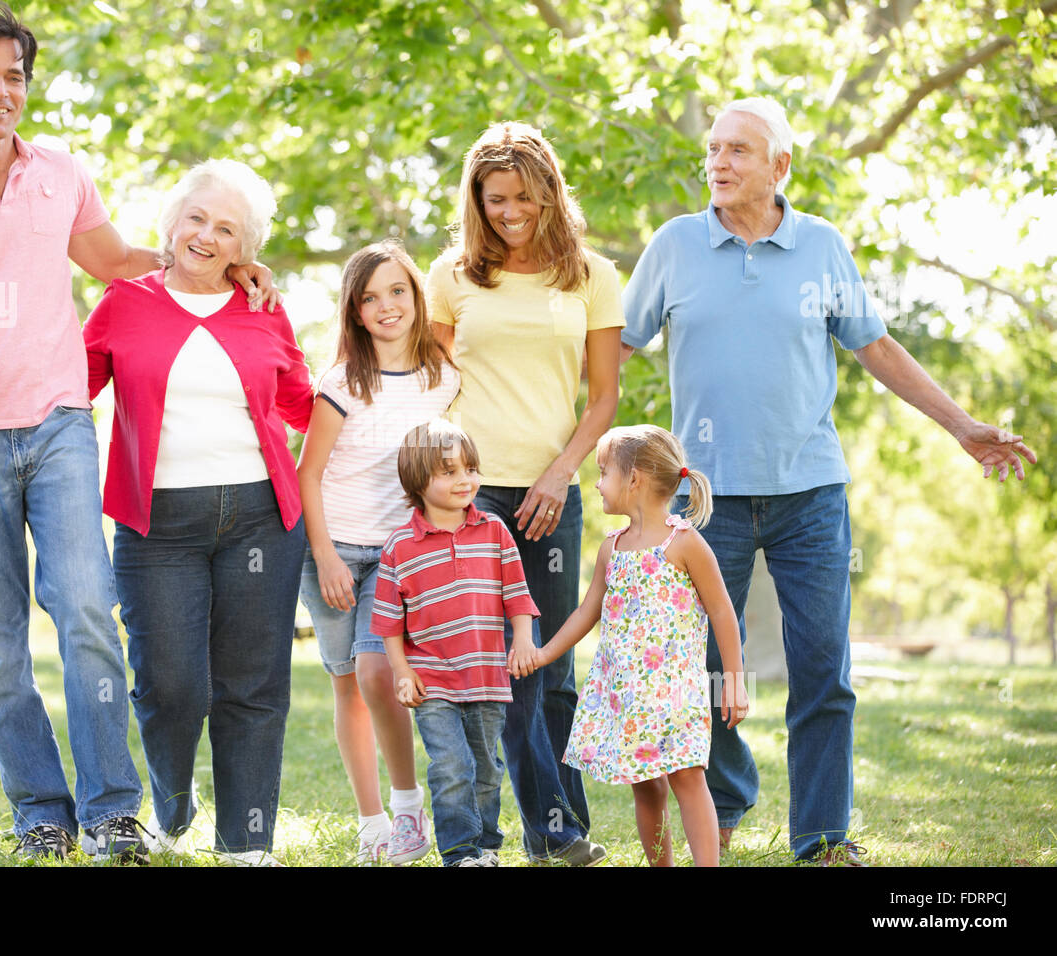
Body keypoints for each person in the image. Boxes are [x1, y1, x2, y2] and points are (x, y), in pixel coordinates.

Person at [0, 5, 279, 863]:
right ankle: (41, 812)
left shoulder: (59, 172)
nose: (0, 89)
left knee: (90, 610)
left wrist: (220, 263)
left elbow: (118, 260)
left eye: (14, 75)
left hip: (59, 426)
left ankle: (110, 811)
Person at [619, 95, 1038, 864]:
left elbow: (875, 349)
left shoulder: (822, 248)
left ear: (780, 167)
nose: (718, 162)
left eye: (739, 150)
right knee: (704, 669)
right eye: (712, 149)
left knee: (824, 672)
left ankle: (822, 837)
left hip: (810, 493)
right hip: (702, 496)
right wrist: (572, 443)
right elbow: (612, 347)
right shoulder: (675, 246)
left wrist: (962, 426)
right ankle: (729, 793)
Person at [84, 158, 312, 866]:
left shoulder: (263, 308)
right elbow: (66, 393)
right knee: (172, 684)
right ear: (170, 223)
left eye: (227, 229)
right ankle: (173, 803)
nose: (207, 237)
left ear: (247, 249)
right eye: (197, 218)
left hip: (261, 519)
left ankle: (246, 842)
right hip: (156, 528)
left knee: (253, 683)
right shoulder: (124, 301)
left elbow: (303, 404)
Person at [426, 121, 622, 862]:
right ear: (477, 202)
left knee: (555, 661)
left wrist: (560, 472)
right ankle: (557, 829)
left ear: (550, 195)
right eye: (495, 199)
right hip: (470, 494)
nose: (511, 212)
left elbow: (602, 397)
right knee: (513, 659)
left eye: (525, 199)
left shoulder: (591, 276)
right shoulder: (451, 274)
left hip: (551, 491)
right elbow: (432, 383)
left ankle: (560, 826)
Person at [296, 241, 459, 864]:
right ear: (355, 312)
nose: (387, 306)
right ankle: (371, 824)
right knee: (347, 684)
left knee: (378, 674)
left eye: (398, 291)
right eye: (370, 298)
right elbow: (308, 474)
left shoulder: (444, 379)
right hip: (332, 548)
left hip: (395, 557)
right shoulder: (341, 383)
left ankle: (409, 809)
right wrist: (326, 557)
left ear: (418, 297)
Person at [524, 425, 748, 866]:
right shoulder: (611, 548)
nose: (596, 482)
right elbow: (587, 612)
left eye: (604, 471)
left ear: (635, 479)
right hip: (627, 694)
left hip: (676, 694)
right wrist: (545, 654)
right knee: (646, 786)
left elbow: (722, 611)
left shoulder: (683, 543)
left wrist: (735, 683)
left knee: (687, 778)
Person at [371, 420, 539, 866]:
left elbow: (517, 595)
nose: (465, 479)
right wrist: (403, 672)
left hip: (487, 677)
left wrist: (522, 639)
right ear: (417, 482)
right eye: (449, 471)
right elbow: (388, 623)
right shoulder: (400, 547)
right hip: (433, 680)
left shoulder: (496, 533)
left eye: (470, 468)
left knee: (486, 769)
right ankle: (459, 852)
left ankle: (484, 847)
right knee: (450, 767)